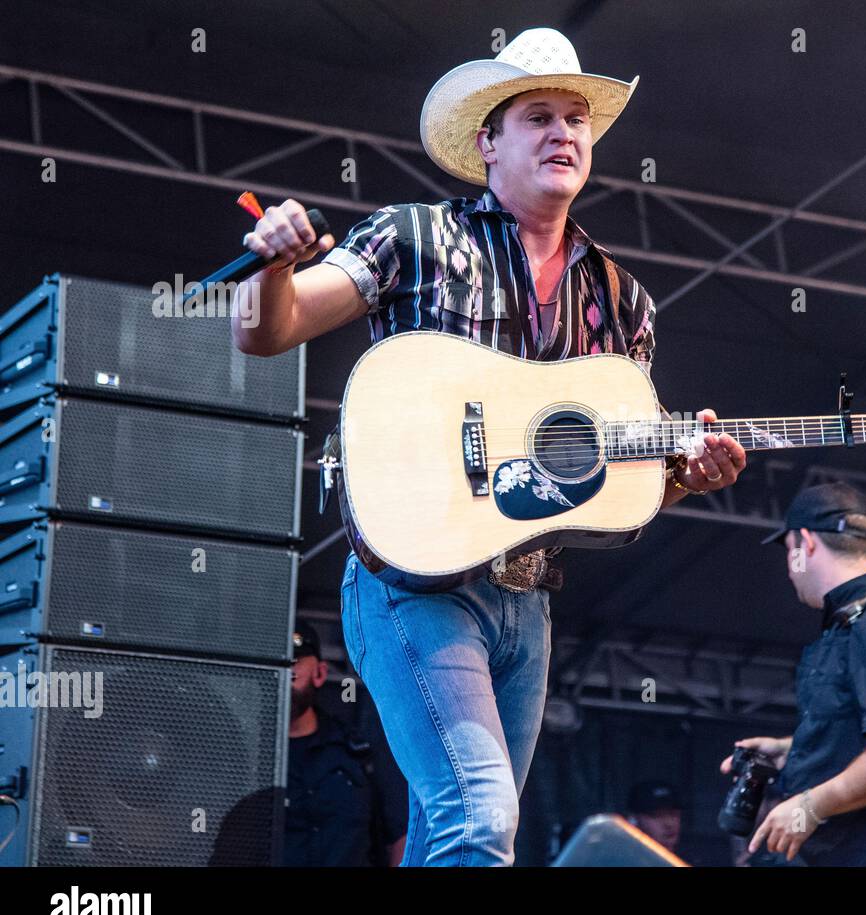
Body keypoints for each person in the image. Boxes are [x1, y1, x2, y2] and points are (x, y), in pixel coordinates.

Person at [232, 28, 747, 865]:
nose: (564, 134)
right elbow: (269, 332)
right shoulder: (417, 237)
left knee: (450, 834)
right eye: (538, 115)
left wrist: (688, 478)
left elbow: (619, 483)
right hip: (413, 583)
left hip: (528, 602)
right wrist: (272, 267)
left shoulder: (624, 301)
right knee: (479, 821)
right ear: (488, 144)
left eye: (577, 119)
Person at [722, 482, 866, 865]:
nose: (790, 569)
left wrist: (809, 807)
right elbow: (865, 737)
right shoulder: (855, 621)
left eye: (789, 551)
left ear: (805, 543)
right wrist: (789, 750)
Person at [284, 620, 407, 866]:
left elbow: (400, 834)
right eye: (279, 663)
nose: (286, 671)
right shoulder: (247, 757)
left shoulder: (359, 750)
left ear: (320, 673)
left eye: (294, 662)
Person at [625, 780, 684, 857]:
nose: (669, 823)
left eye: (674, 814)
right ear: (633, 821)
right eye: (657, 816)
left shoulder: (696, 856)